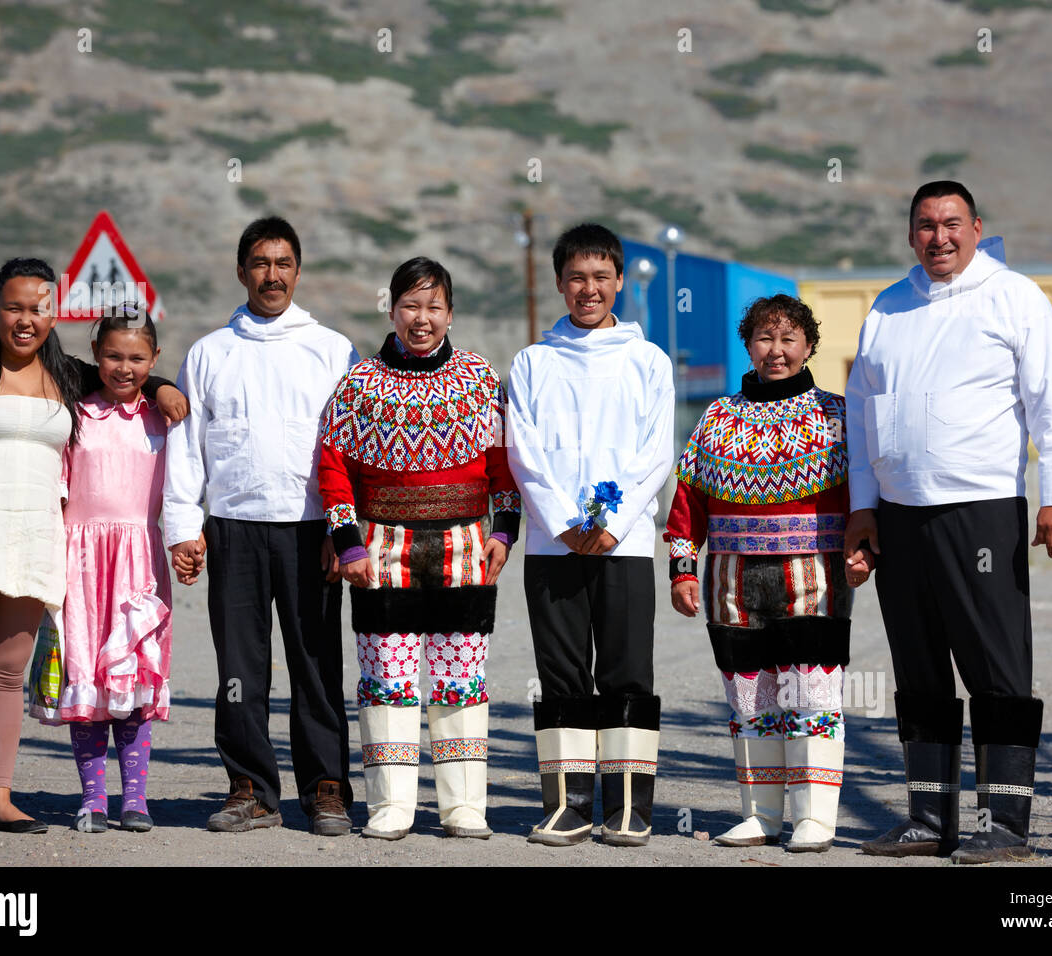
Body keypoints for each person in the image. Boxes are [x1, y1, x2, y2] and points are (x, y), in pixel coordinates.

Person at [0, 258, 185, 835]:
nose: (25, 319)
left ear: (54, 315)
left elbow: (123, 372)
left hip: (36, 538)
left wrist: (161, 385)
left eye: (38, 308)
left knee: (6, 672)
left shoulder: (65, 372)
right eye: (14, 307)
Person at [844, 181, 1052, 863]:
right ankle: (927, 818)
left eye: (952, 223)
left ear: (976, 227)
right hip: (899, 515)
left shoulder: (1015, 297)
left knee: (995, 668)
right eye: (925, 225)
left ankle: (1005, 825)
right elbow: (865, 417)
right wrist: (863, 508)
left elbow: (1051, 400)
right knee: (919, 672)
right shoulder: (888, 307)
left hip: (980, 512)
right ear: (909, 234)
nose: (939, 237)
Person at [164, 216, 360, 836]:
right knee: (238, 668)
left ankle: (326, 787)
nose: (271, 275)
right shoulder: (209, 353)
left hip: (311, 529)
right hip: (232, 528)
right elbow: (187, 449)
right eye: (259, 262)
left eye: (283, 264)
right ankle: (249, 787)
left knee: (317, 663)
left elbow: (351, 447)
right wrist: (183, 527)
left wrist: (343, 529)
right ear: (241, 270)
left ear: (298, 272)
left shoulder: (332, 350)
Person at [319, 257, 520, 839]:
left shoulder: (481, 378)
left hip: (465, 546)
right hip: (382, 548)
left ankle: (463, 806)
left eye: (434, 307)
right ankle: (392, 805)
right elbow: (334, 468)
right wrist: (347, 543)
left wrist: (504, 531)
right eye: (411, 305)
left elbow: (504, 464)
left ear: (450, 313)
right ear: (392, 310)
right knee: (388, 678)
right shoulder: (360, 384)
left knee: (462, 675)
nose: (422, 318)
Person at [665, 295, 873, 852]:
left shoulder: (837, 414)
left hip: (814, 575)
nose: (776, 351)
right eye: (764, 338)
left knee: (811, 694)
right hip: (730, 578)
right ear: (748, 344)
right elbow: (688, 500)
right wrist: (682, 568)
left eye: (788, 339)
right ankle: (761, 814)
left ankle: (814, 817)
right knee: (749, 699)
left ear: (809, 346)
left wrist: (864, 550)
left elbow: (864, 497)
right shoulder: (716, 417)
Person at [507, 223, 674, 847]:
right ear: (559, 282)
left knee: (628, 670)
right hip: (555, 545)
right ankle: (570, 804)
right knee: (562, 673)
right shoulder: (532, 362)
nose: (589, 288)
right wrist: (565, 520)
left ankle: (629, 805)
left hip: (623, 544)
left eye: (602, 276)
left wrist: (610, 522)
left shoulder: (648, 361)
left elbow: (657, 453)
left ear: (621, 281)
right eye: (577, 277)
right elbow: (521, 452)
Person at [57, 309, 172, 833]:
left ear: (154, 360)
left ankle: (136, 798)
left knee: (134, 677)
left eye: (136, 358)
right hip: (79, 564)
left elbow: (184, 489)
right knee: (86, 678)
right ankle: (93, 798)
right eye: (112, 356)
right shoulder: (73, 415)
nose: (124, 367)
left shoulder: (163, 420)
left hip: (139, 562)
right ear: (95, 356)